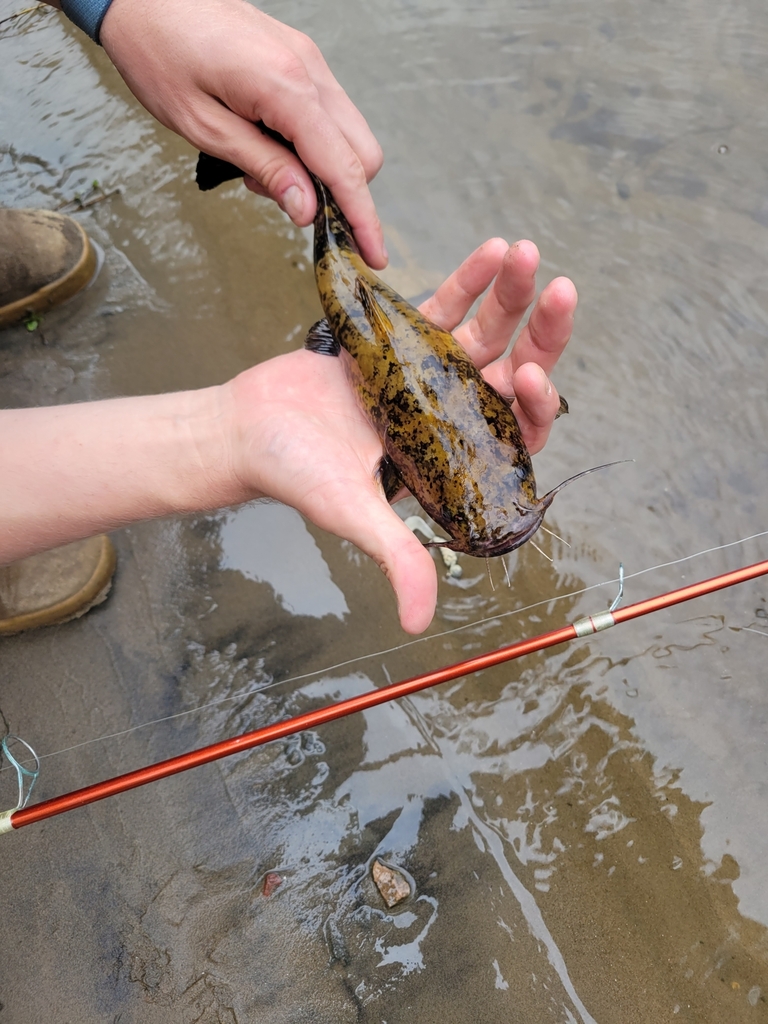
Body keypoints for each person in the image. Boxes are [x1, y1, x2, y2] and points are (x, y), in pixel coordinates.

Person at [0, 0, 577, 636]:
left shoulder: (438, 411)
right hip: (369, 328)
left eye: (479, 509)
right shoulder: (415, 424)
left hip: (373, 324)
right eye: (513, 487)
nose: (508, 514)